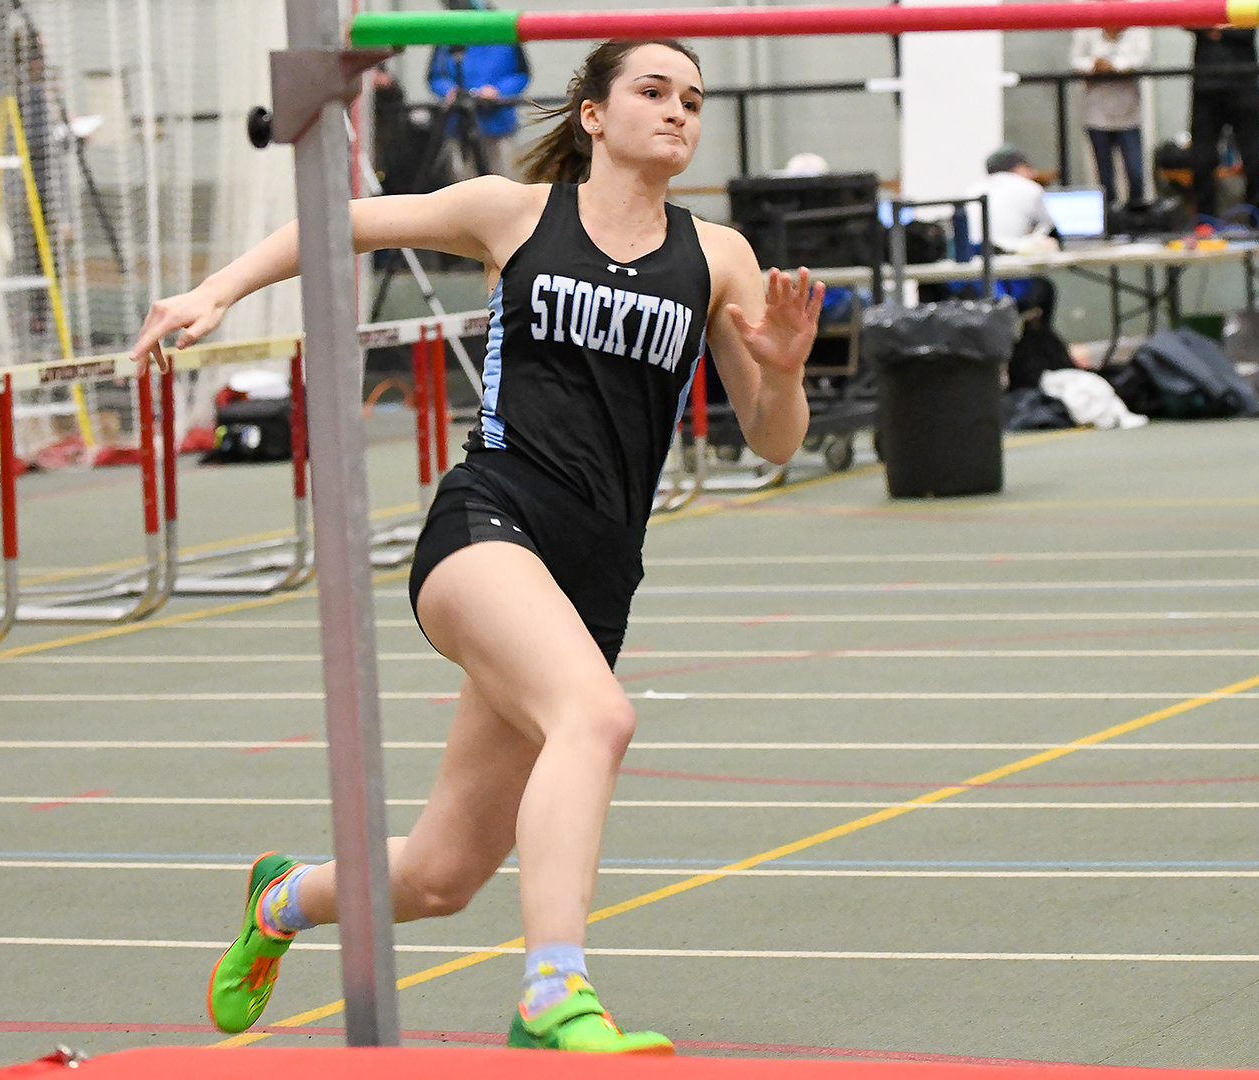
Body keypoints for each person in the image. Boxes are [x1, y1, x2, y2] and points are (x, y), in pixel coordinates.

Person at [128, 40, 820, 1053]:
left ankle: (282, 901)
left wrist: (789, 375)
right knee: (596, 717)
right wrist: (218, 291)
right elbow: (340, 223)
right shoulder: (513, 211)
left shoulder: (718, 258)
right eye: (654, 91)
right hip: (488, 523)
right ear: (591, 113)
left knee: (442, 875)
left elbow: (772, 440)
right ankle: (552, 989)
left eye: (694, 101)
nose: (678, 112)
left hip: (595, 574)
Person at [426, 1, 532, 180]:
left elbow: (521, 74)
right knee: (462, 182)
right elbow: (436, 76)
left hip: (498, 124)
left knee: (503, 180)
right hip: (458, 125)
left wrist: (498, 91)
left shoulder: (504, 30)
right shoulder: (448, 31)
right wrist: (449, 91)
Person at [1188, 26, 1259, 221]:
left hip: (1244, 84)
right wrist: (1224, 24)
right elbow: (1187, 17)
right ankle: (1205, 222)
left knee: (1253, 160)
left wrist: (1213, 28)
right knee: (1202, 160)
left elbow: (1249, 24)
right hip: (1206, 86)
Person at [1070, 21, 1153, 207]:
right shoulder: (1086, 29)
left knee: (1135, 172)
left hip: (1128, 113)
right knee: (1104, 175)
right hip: (1096, 113)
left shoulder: (1137, 29)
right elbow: (1075, 60)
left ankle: (1136, 218)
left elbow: (1142, 59)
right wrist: (1094, 65)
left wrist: (1114, 65)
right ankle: (1110, 220)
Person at [970, 144, 1056, 253]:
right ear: (1018, 167)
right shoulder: (1029, 188)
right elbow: (1050, 226)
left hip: (972, 254)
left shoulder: (973, 189)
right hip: (1007, 255)